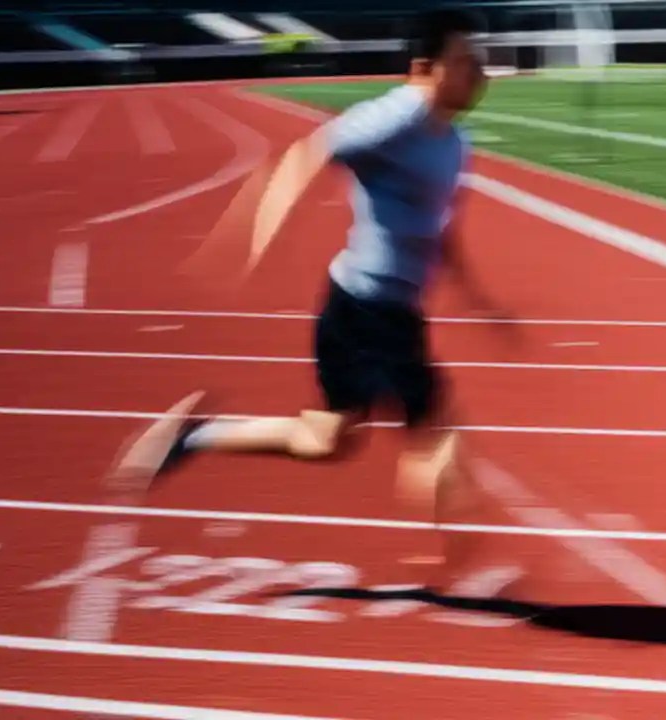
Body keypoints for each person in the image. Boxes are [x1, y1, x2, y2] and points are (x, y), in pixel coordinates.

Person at [109, 9, 502, 565]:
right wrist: (250, 236)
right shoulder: (396, 115)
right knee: (434, 434)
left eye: (479, 61)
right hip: (367, 312)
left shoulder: (453, 141)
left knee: (325, 441)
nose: (479, 72)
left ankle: (193, 439)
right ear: (425, 68)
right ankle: (461, 553)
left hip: (381, 312)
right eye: (466, 62)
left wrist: (479, 298)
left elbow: (440, 230)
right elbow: (306, 155)